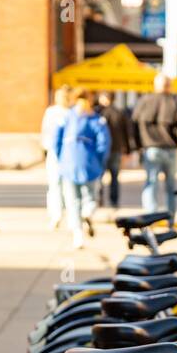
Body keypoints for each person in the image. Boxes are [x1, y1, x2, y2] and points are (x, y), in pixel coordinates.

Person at [56, 93, 110, 248]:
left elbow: (56, 139)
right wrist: (99, 161)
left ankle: (77, 235)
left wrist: (61, 157)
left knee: (72, 201)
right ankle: (88, 212)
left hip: (68, 163)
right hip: (89, 162)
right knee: (90, 197)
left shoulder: (67, 117)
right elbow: (104, 143)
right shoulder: (96, 119)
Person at [132, 74, 177, 218]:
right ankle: (170, 218)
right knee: (170, 186)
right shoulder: (174, 102)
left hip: (151, 148)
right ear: (169, 86)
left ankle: (151, 216)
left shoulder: (144, 101)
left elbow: (134, 123)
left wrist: (138, 146)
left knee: (151, 183)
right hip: (169, 148)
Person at [41, 85, 71, 229]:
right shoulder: (65, 113)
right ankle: (57, 215)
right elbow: (45, 132)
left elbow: (45, 132)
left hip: (60, 152)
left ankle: (58, 215)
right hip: (61, 153)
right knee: (60, 186)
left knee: (57, 186)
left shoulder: (68, 113)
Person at [98, 91, 135, 209]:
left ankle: (99, 198)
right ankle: (114, 200)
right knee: (114, 177)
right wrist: (128, 149)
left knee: (100, 176)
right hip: (116, 149)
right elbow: (127, 132)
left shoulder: (100, 113)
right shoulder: (120, 113)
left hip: (103, 150)